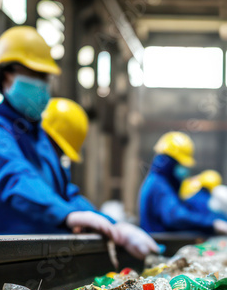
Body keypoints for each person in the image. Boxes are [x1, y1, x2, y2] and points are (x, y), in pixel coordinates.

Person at [0, 28, 155, 257]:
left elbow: (65, 194)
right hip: (0, 265)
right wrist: (66, 215)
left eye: (45, 76)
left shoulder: (38, 137)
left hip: (38, 262)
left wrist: (114, 225)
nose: (43, 84)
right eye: (35, 74)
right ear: (7, 74)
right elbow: (16, 179)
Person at [41, 97, 157, 256]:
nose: (56, 156)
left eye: (62, 151)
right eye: (57, 148)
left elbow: (69, 198)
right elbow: (23, 186)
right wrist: (66, 215)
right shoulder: (20, 161)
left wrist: (116, 226)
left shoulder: (53, 171)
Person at [138, 132, 227, 235]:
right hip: (161, 247)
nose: (184, 169)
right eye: (180, 164)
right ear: (169, 162)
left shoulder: (158, 181)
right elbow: (175, 217)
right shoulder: (159, 185)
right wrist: (212, 224)